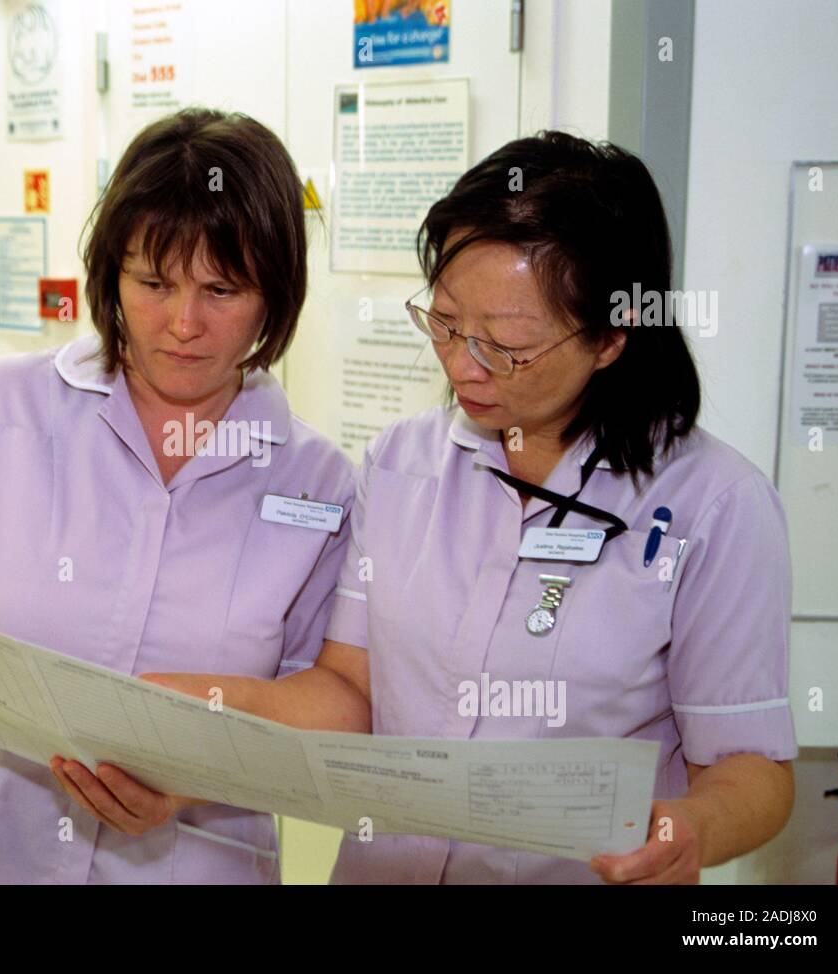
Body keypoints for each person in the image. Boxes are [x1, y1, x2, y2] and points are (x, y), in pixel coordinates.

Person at [110, 131, 797, 884]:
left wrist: (694, 826)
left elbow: (751, 768)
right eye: (444, 323)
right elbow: (350, 690)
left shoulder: (713, 506)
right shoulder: (403, 464)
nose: (462, 364)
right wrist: (192, 723)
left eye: (505, 343)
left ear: (610, 336)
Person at [0, 108, 355, 884]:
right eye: (153, 282)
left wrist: (204, 768)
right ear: (110, 273)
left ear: (276, 297)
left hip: (195, 861)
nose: (183, 323)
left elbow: (336, 701)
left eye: (223, 289)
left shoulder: (316, 480)